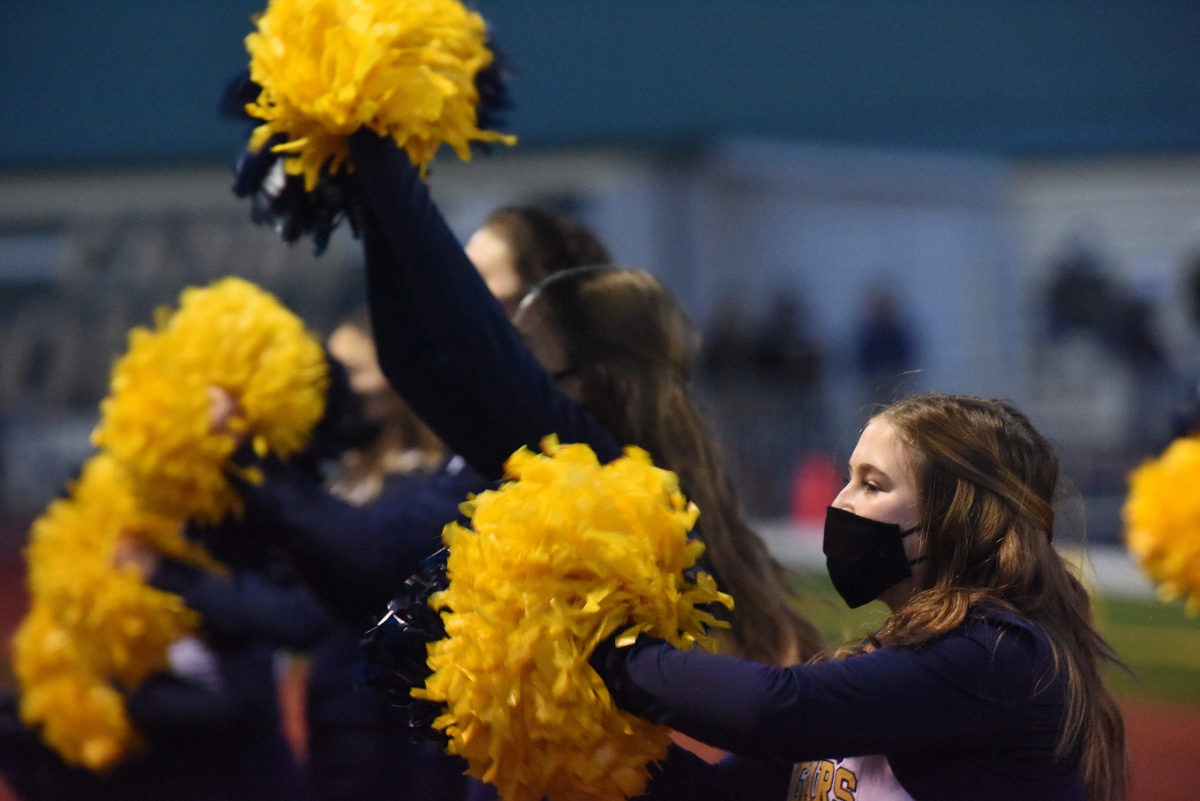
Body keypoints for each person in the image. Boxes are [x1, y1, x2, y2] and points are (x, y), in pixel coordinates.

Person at [344, 128, 823, 668]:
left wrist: (380, 150)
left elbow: (470, 342)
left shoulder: (592, 458)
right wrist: (370, 196)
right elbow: (413, 363)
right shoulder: (569, 459)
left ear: (593, 376)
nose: (509, 366)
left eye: (525, 348)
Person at [589, 393, 1128, 801]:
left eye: (872, 485)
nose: (839, 503)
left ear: (957, 520)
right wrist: (587, 730)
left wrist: (605, 649)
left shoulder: (1002, 658)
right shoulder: (886, 668)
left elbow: (771, 710)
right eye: (849, 478)